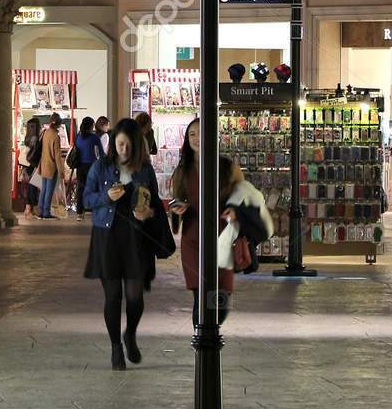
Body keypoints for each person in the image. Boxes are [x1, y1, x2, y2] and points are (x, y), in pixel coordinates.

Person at [170, 117, 271, 325]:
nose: (197, 138)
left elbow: (243, 193)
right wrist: (177, 208)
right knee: (200, 298)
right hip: (193, 240)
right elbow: (177, 199)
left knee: (221, 299)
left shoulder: (227, 167)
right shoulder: (183, 171)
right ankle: (202, 345)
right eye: (192, 134)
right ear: (187, 140)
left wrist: (235, 210)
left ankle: (210, 336)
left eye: (201, 132)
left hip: (222, 238)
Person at [82, 118, 163, 370]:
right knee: (113, 295)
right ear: (113, 143)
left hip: (136, 237)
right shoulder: (100, 167)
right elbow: (86, 200)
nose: (123, 150)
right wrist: (106, 196)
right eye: (119, 144)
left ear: (137, 145)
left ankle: (131, 333)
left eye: (128, 145)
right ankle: (116, 346)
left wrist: (147, 213)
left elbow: (155, 204)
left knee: (135, 296)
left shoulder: (145, 171)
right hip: (107, 235)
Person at [71, 116, 104, 219]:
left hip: (80, 166)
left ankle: (80, 213)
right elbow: (102, 153)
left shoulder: (78, 137)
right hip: (92, 166)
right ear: (91, 126)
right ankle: (92, 208)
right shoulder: (94, 137)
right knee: (93, 187)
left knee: (80, 189)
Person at [37, 113, 65, 219]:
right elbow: (57, 156)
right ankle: (46, 212)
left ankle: (41, 211)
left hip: (43, 164)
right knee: (49, 190)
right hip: (51, 166)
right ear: (59, 124)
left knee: (43, 189)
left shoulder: (46, 132)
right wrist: (61, 171)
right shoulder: (55, 136)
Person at [20, 116, 43, 216]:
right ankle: (32, 207)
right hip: (32, 163)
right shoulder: (35, 137)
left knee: (30, 186)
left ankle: (28, 207)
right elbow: (35, 150)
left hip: (26, 163)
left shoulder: (28, 136)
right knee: (33, 186)